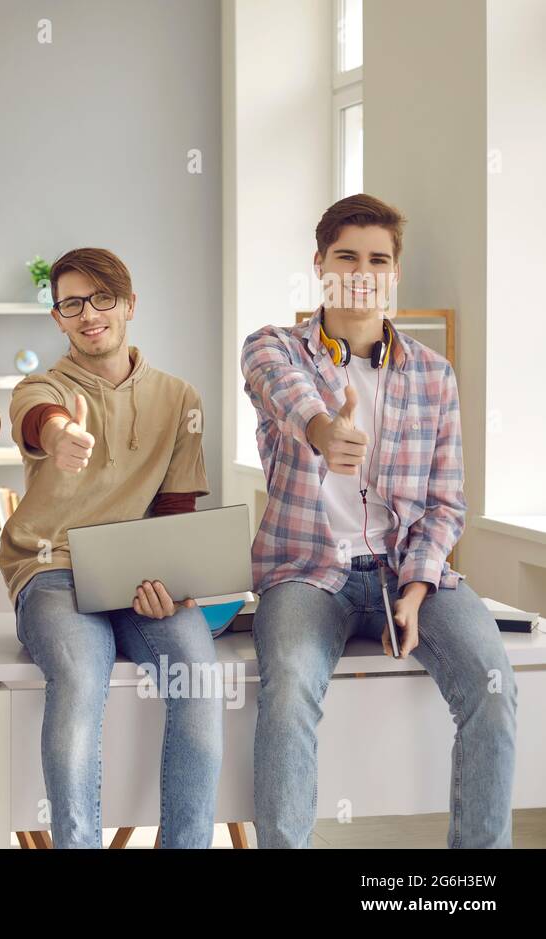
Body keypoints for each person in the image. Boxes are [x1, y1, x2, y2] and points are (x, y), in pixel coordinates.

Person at [241, 193, 517, 848]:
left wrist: (418, 589)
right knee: (286, 698)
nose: (362, 271)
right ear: (319, 263)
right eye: (346, 256)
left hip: (409, 573)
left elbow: (446, 503)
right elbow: (282, 390)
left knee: (493, 688)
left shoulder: (433, 375)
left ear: (394, 271)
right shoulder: (275, 347)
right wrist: (321, 429)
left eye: (378, 258)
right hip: (308, 576)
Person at [0, 247, 221, 848]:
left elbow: (177, 513)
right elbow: (35, 418)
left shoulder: (180, 398)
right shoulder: (41, 385)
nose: (88, 313)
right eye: (71, 303)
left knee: (199, 677)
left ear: (128, 304)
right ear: (58, 318)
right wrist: (59, 431)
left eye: (101, 298)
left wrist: (172, 589)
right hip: (52, 570)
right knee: (79, 679)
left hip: (141, 575)